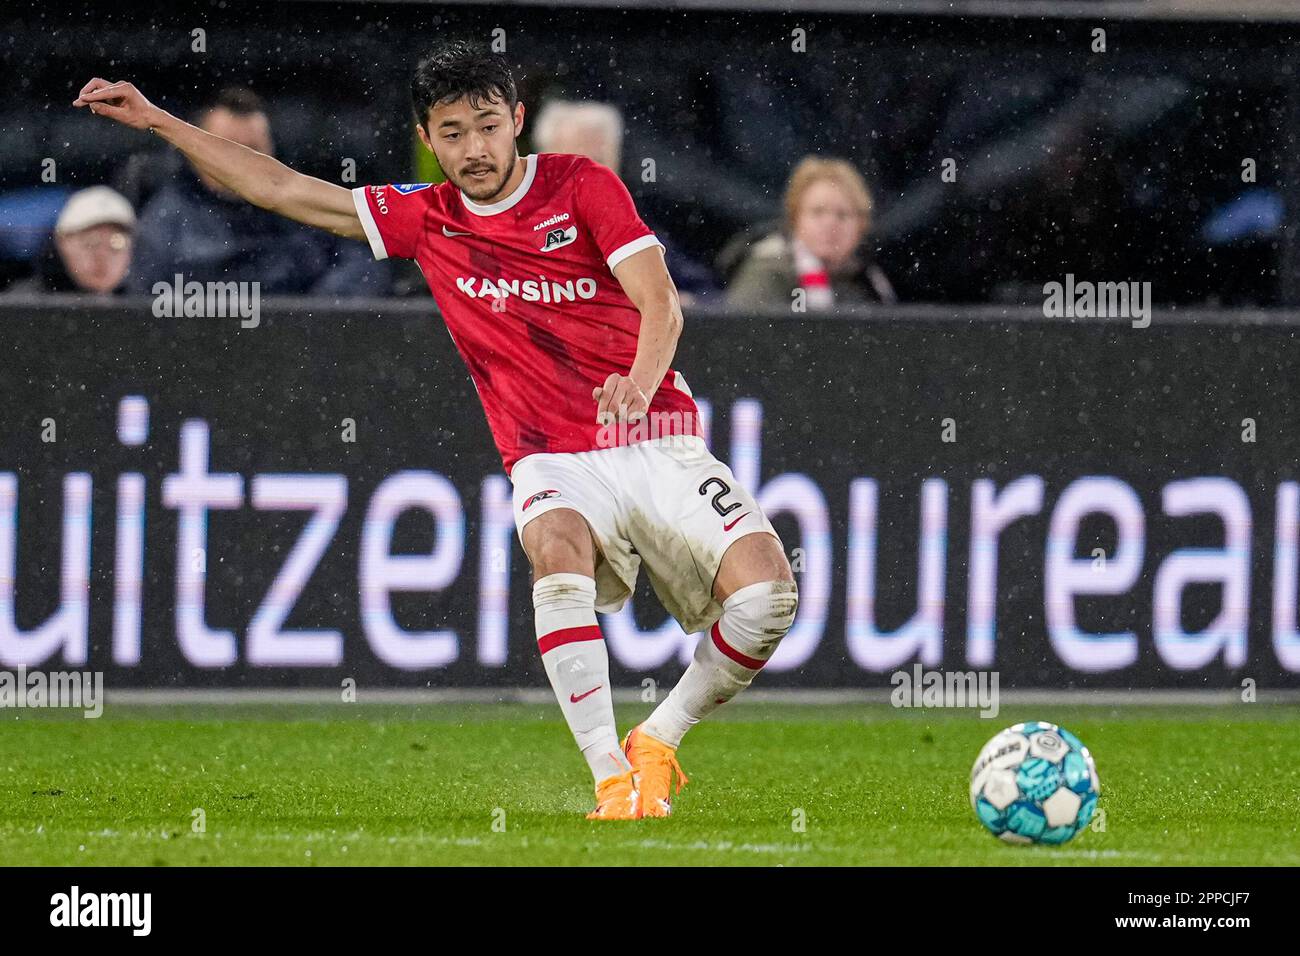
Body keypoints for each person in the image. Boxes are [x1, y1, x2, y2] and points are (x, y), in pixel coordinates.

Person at [74, 39, 798, 821]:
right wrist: (157, 120)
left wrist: (640, 381)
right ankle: (613, 781)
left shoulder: (581, 184)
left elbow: (662, 301)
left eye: (487, 126)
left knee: (766, 602)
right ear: (428, 138)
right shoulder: (427, 218)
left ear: (517, 121)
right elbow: (280, 186)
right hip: (551, 455)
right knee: (556, 559)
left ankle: (658, 738)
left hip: (654, 432)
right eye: (452, 133)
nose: (474, 148)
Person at [126, 87, 389, 297]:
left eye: (254, 150)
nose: (243, 164)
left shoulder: (303, 208)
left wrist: (308, 319)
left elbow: (363, 265)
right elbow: (147, 310)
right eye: (228, 149)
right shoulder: (165, 220)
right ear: (197, 155)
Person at [532, 99, 720, 301]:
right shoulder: (514, 228)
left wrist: (683, 303)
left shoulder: (635, 229)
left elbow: (710, 297)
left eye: (600, 163)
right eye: (575, 164)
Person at [726, 155, 896, 309]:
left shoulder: (869, 280)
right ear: (795, 219)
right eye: (817, 212)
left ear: (862, 225)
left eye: (842, 215)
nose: (830, 224)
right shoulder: (769, 271)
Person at [5, 186, 135, 296]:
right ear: (61, 242)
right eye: (91, 241)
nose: (102, 256)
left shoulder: (143, 307)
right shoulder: (23, 306)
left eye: (117, 243)